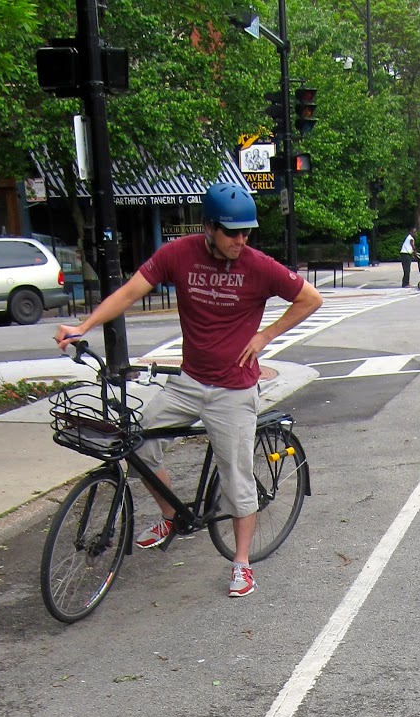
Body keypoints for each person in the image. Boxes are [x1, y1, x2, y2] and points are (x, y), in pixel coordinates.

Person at [54, 182, 322, 598]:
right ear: (209, 227)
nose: (241, 240)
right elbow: (128, 292)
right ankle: (171, 517)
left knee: (236, 478)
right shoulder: (178, 255)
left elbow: (310, 299)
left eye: (246, 231)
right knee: (138, 440)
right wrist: (83, 327)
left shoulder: (257, 265)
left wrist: (265, 336)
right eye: (232, 232)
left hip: (233, 389)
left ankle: (242, 563)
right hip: (189, 381)